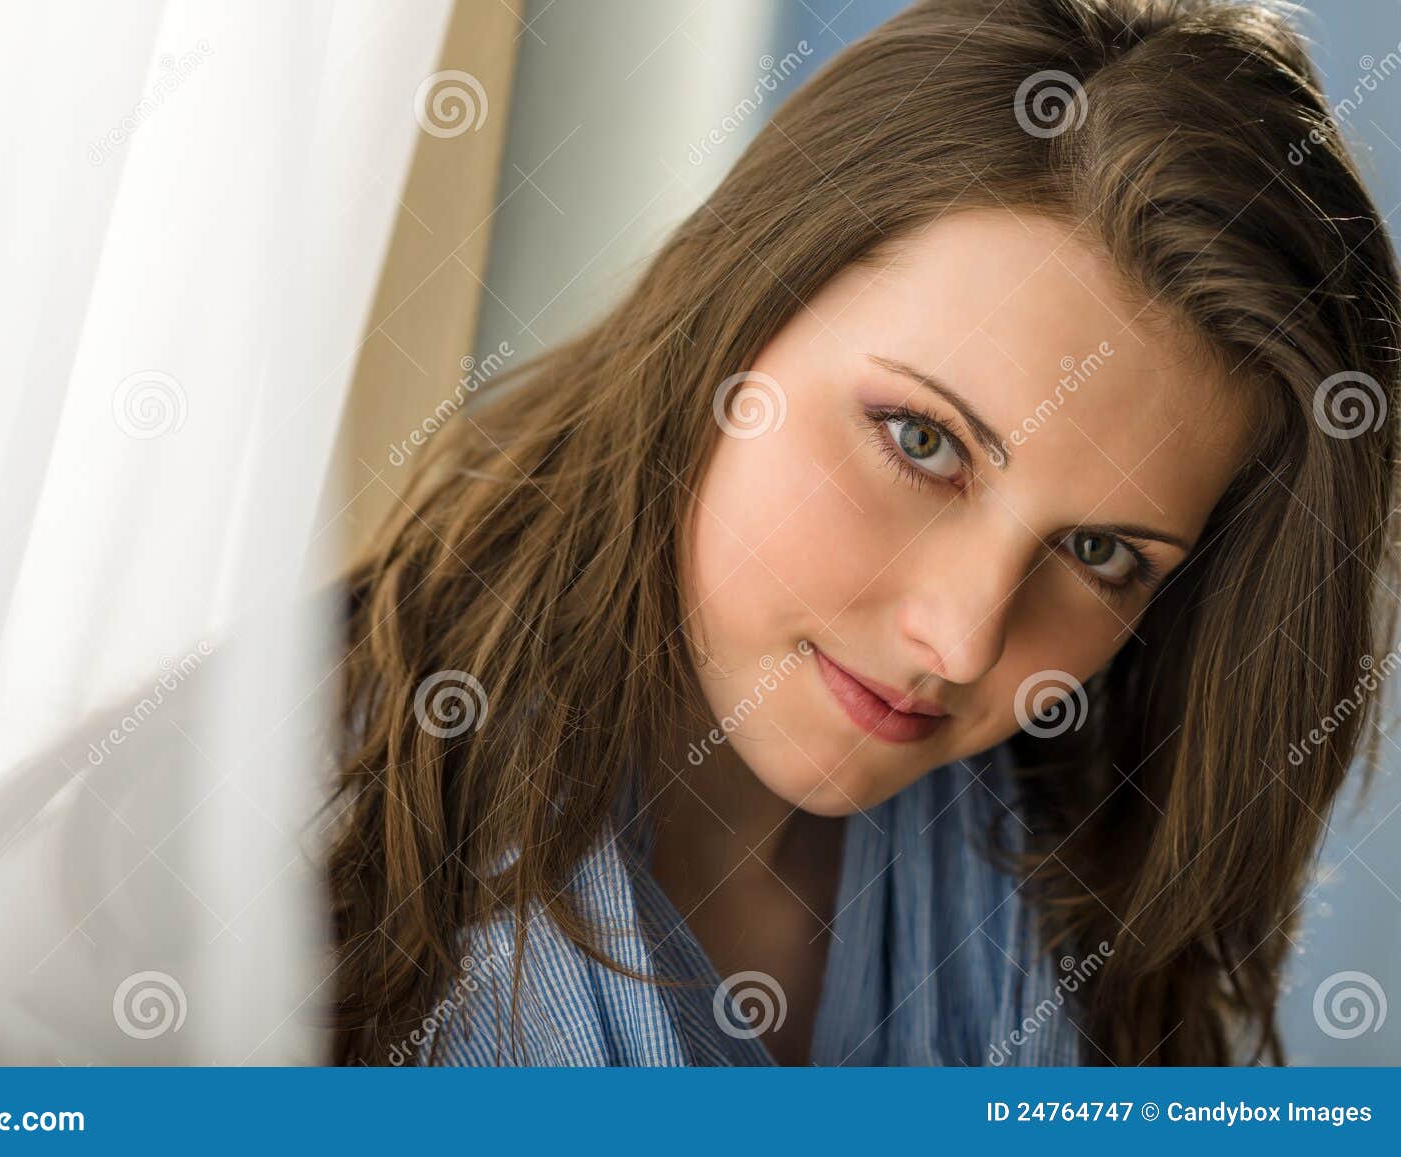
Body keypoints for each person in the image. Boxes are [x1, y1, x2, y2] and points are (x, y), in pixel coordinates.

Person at [325, 0, 1401, 1066]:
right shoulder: (261, 846)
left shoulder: (1101, 954)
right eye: (922, 441)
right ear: (733, 317)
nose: (963, 640)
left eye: (1099, 553)